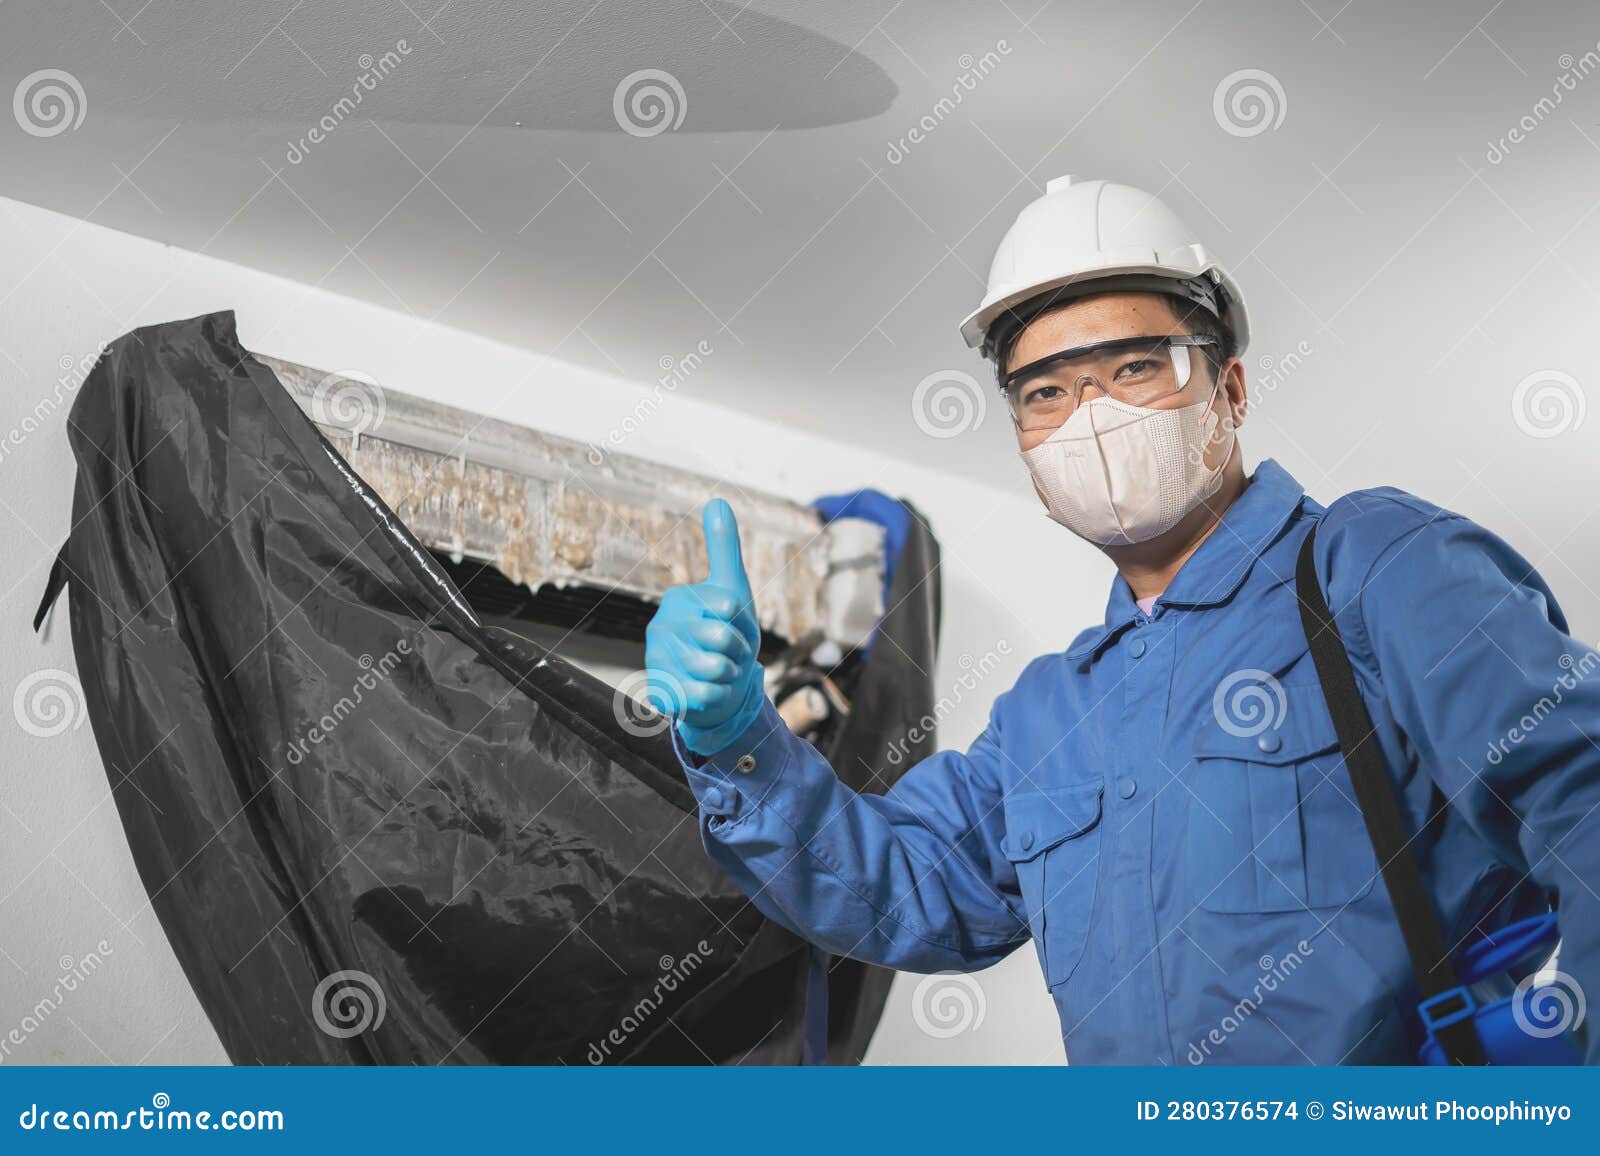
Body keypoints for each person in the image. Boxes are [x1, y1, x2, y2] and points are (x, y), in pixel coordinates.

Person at [643, 176, 1599, 1064]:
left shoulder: (1375, 566)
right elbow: (901, 886)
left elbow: (1584, 796)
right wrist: (737, 740)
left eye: (1135, 367)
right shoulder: (1047, 715)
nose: (1087, 417)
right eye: (1044, 392)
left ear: (1228, 390)